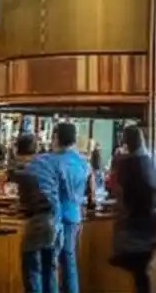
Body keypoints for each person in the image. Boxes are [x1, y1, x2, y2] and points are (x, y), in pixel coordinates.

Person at [28, 122, 90, 293]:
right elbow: (88, 190)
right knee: (69, 261)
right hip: (74, 216)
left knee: (50, 264)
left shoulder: (51, 161)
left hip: (56, 217)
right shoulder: (82, 163)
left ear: (55, 137)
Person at [108, 126, 156, 293]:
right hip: (149, 224)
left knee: (135, 270)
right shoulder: (148, 162)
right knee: (141, 274)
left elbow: (117, 190)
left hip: (131, 225)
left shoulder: (125, 164)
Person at [12, 134, 57, 293]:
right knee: (48, 269)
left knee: (31, 268)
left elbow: (23, 199)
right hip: (52, 220)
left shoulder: (23, 170)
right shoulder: (45, 164)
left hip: (36, 221)